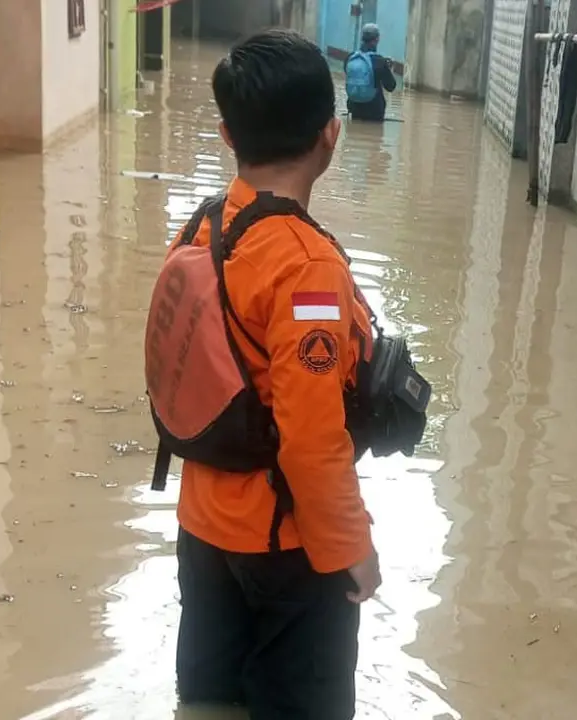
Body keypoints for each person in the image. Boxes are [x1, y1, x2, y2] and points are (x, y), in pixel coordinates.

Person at [156, 30, 380, 719]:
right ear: (331, 135)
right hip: (284, 550)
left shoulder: (203, 228)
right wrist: (353, 549)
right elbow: (311, 437)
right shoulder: (307, 268)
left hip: (202, 530)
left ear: (226, 135)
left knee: (211, 700)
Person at [344, 23, 397, 122]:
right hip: (374, 111)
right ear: (377, 39)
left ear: (362, 38)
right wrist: (388, 68)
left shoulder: (350, 58)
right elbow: (391, 86)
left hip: (354, 108)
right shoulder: (380, 62)